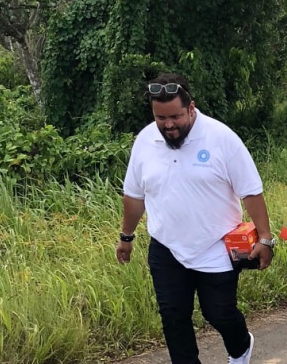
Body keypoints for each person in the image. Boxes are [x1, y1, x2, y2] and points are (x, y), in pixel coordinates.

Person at [117, 73, 274, 364]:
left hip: (216, 246)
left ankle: (241, 347)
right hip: (166, 247)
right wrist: (126, 237)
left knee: (219, 313)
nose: (168, 125)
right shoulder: (145, 141)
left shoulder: (221, 138)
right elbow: (134, 196)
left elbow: (251, 191)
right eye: (160, 118)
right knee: (173, 318)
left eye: (175, 116)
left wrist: (265, 238)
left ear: (191, 108)